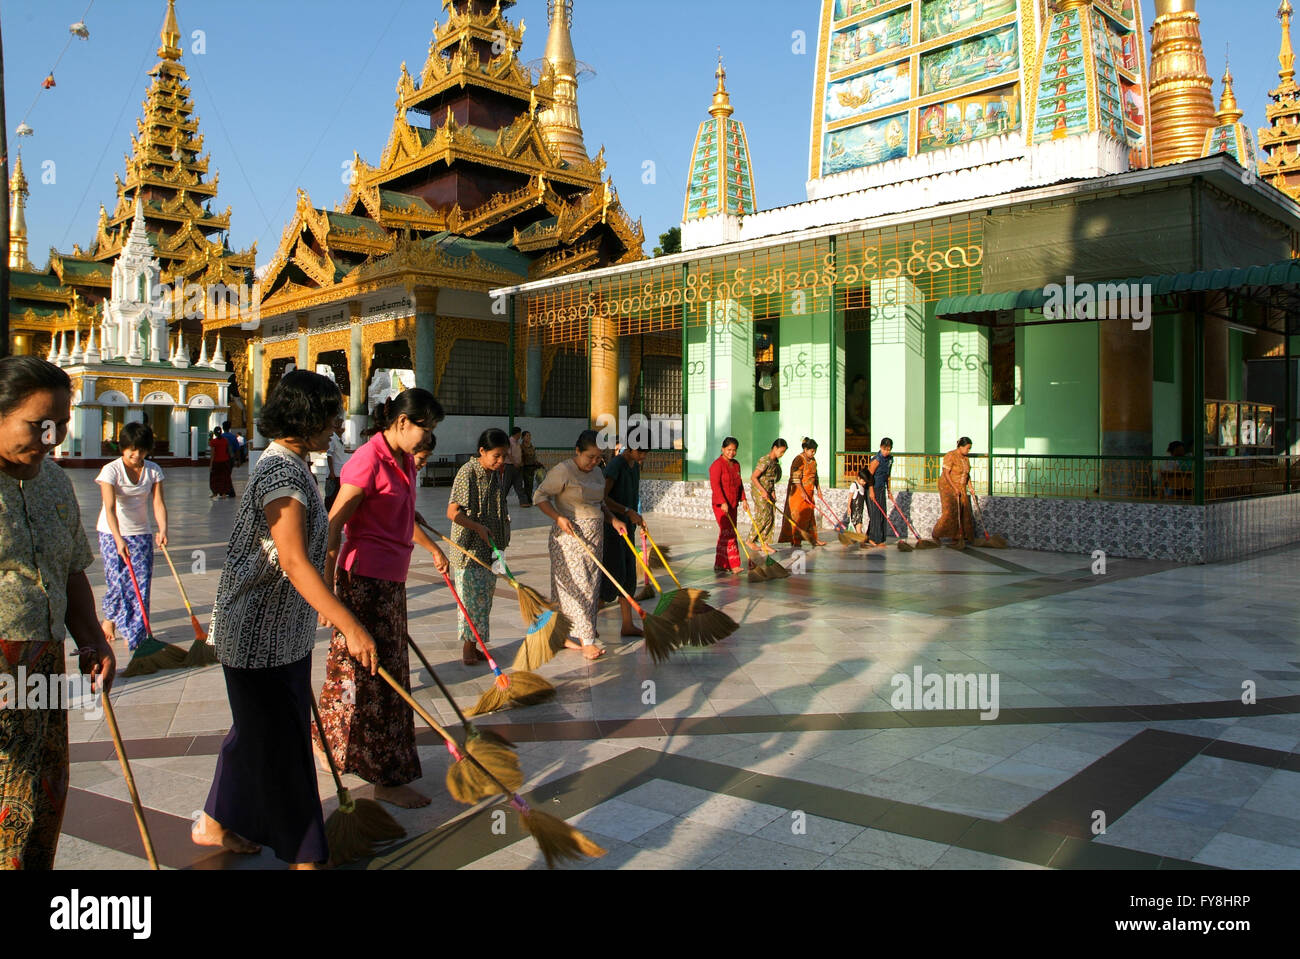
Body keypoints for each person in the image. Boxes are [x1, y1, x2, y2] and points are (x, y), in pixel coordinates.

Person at [196, 372, 375, 869]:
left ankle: (216, 821)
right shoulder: (280, 474)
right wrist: (350, 624)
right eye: (332, 414)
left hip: (284, 632)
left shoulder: (295, 465)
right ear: (306, 417)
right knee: (283, 749)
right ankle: (305, 855)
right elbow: (294, 560)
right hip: (256, 634)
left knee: (257, 733)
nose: (339, 423)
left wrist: (325, 603)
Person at [0, 357, 115, 872]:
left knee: (40, 793)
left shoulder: (54, 484)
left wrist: (92, 640)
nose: (51, 438)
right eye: (37, 424)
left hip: (42, 667)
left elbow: (70, 570)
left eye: (61, 426)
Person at [315, 389, 450, 810]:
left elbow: (401, 517)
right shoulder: (367, 461)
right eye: (425, 427)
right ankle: (382, 776)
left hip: (390, 581)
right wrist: (327, 590)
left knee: (377, 674)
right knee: (372, 678)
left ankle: (335, 744)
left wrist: (429, 546)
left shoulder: (406, 461)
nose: (427, 437)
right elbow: (333, 524)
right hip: (363, 582)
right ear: (403, 422)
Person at [533, 432, 630, 660]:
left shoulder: (597, 472)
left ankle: (562, 634)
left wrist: (613, 520)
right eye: (590, 457)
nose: (594, 462)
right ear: (577, 451)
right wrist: (558, 518)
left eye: (599, 458)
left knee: (590, 587)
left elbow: (600, 502)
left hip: (595, 539)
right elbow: (540, 496)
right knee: (580, 589)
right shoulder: (563, 470)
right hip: (569, 540)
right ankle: (587, 641)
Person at [95, 423, 168, 655]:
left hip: (141, 533)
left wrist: (162, 529)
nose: (136, 455)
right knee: (117, 582)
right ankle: (110, 618)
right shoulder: (110, 470)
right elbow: (109, 507)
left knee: (140, 585)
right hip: (111, 532)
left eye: (141, 450)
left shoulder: (153, 470)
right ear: (123, 447)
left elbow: (157, 503)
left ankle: (136, 634)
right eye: (131, 450)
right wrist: (118, 539)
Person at [448, 430, 511, 666]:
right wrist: (477, 527)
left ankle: (477, 645)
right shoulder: (468, 473)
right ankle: (468, 648)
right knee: (472, 599)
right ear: (482, 451)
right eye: (496, 455)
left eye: (504, 455)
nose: (501, 460)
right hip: (470, 549)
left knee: (485, 599)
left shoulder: (495, 474)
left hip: (492, 547)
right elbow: (453, 512)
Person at [602, 443, 648, 637]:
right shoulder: (615, 466)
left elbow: (632, 496)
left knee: (629, 575)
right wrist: (625, 512)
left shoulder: (635, 466)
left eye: (645, 453)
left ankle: (627, 624)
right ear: (629, 449)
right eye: (640, 452)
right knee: (611, 577)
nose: (643, 456)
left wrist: (637, 516)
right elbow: (602, 498)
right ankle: (585, 627)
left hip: (627, 526)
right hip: (612, 527)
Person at [779, 438, 826, 548]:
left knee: (809, 516)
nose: (813, 453)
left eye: (815, 451)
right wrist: (802, 492)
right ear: (805, 449)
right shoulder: (798, 460)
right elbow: (796, 479)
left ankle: (813, 539)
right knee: (797, 517)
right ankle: (796, 540)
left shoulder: (813, 460)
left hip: (809, 492)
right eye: (811, 451)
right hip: (797, 494)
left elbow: (816, 476)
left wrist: (818, 490)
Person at [709, 438, 747, 573]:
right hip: (721, 505)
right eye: (729, 450)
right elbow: (715, 485)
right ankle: (733, 564)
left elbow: (739, 483)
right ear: (722, 449)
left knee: (727, 533)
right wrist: (722, 502)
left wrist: (744, 499)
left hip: (733, 504)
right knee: (728, 532)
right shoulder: (717, 465)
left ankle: (720, 564)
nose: (731, 453)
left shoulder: (736, 465)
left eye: (734, 450)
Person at [933, 437, 975, 543]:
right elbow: (946, 473)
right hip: (948, 486)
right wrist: (954, 488)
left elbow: (966, 474)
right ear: (960, 447)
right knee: (950, 511)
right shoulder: (950, 455)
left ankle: (958, 535)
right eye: (967, 448)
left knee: (963, 510)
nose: (968, 451)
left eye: (969, 449)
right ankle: (937, 534)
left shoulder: (965, 458)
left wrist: (970, 487)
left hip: (961, 486)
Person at [750, 439, 788, 551]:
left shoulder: (774, 462)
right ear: (775, 448)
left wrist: (773, 492)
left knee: (771, 516)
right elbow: (754, 477)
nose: (782, 455)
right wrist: (762, 491)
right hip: (759, 491)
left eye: (783, 452)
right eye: (781, 451)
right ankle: (750, 540)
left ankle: (765, 543)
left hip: (768, 490)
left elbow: (771, 479)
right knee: (763, 516)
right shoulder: (765, 460)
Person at [864, 438, 895, 548]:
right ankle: (874, 539)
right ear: (881, 447)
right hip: (872, 488)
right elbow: (869, 475)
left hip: (881, 488)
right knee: (875, 514)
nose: (886, 452)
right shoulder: (876, 460)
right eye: (885, 449)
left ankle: (874, 537)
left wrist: (889, 491)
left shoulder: (890, 459)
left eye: (889, 449)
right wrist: (871, 491)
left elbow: (888, 476)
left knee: (882, 514)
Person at [502, 426, 530, 508]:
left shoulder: (517, 443)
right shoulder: (509, 442)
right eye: (520, 433)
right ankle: (501, 501)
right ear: (517, 434)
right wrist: (514, 463)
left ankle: (523, 502)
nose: (520, 435)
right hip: (510, 466)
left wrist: (520, 462)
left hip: (518, 466)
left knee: (519, 484)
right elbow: (509, 454)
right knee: (506, 485)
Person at [323, 421, 347, 511]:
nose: (344, 429)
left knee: (337, 495)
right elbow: (329, 456)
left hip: (340, 472)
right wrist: (331, 472)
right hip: (334, 473)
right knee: (331, 496)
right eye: (342, 427)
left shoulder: (340, 439)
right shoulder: (332, 439)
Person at [209, 427, 233, 499]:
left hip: (216, 462)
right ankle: (224, 494)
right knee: (224, 477)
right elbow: (228, 451)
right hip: (225, 461)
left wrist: (210, 465)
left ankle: (215, 493)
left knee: (214, 478)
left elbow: (212, 454)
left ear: (215, 433)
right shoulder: (225, 440)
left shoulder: (213, 442)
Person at [520, 430, 541, 502]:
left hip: (532, 467)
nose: (529, 437)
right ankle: (527, 499)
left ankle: (528, 498)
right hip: (525, 467)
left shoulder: (532, 446)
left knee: (530, 484)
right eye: (527, 436)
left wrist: (537, 462)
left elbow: (534, 456)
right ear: (523, 437)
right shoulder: (521, 447)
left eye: (530, 436)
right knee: (526, 484)